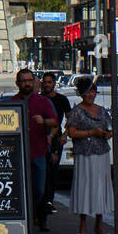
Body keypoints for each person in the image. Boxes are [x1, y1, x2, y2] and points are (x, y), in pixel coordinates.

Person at [67, 76, 114, 234]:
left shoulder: (101, 110)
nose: (91, 95)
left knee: (101, 186)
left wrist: (108, 133)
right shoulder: (77, 111)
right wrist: (92, 133)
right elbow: (72, 133)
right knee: (85, 186)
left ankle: (99, 224)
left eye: (93, 92)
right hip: (85, 154)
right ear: (82, 94)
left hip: (101, 152)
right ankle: (82, 225)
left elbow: (110, 127)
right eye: (88, 92)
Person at [14, 68, 58, 232]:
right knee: (20, 189)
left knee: (39, 189)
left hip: (38, 151)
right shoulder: (12, 101)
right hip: (18, 154)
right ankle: (28, 218)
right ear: (18, 83)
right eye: (23, 81)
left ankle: (38, 215)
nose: (26, 83)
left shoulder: (43, 102)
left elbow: (55, 122)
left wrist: (43, 122)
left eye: (29, 80)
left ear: (34, 82)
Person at [40, 72, 71, 210]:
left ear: (54, 83)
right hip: (40, 138)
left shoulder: (62, 99)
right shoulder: (39, 99)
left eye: (49, 82)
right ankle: (41, 201)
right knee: (41, 171)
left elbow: (70, 120)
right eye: (45, 82)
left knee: (52, 171)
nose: (47, 85)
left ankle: (49, 201)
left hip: (56, 140)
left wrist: (65, 135)